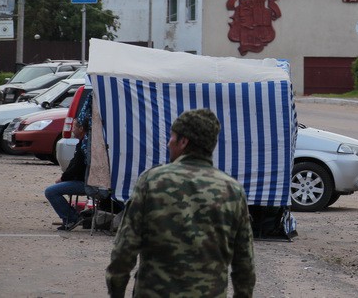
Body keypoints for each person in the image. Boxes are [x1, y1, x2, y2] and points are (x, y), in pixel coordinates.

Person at [106, 109, 255, 298]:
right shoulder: (233, 191)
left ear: (183, 142)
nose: (169, 143)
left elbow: (124, 251)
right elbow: (245, 265)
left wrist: (116, 292)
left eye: (172, 137)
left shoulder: (152, 181)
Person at [44, 120, 87, 231]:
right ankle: (72, 216)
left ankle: (71, 218)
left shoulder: (85, 145)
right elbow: (74, 164)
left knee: (51, 191)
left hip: (86, 183)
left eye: (74, 127)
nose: (72, 129)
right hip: (84, 180)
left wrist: (63, 178)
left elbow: (77, 167)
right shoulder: (84, 143)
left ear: (81, 129)